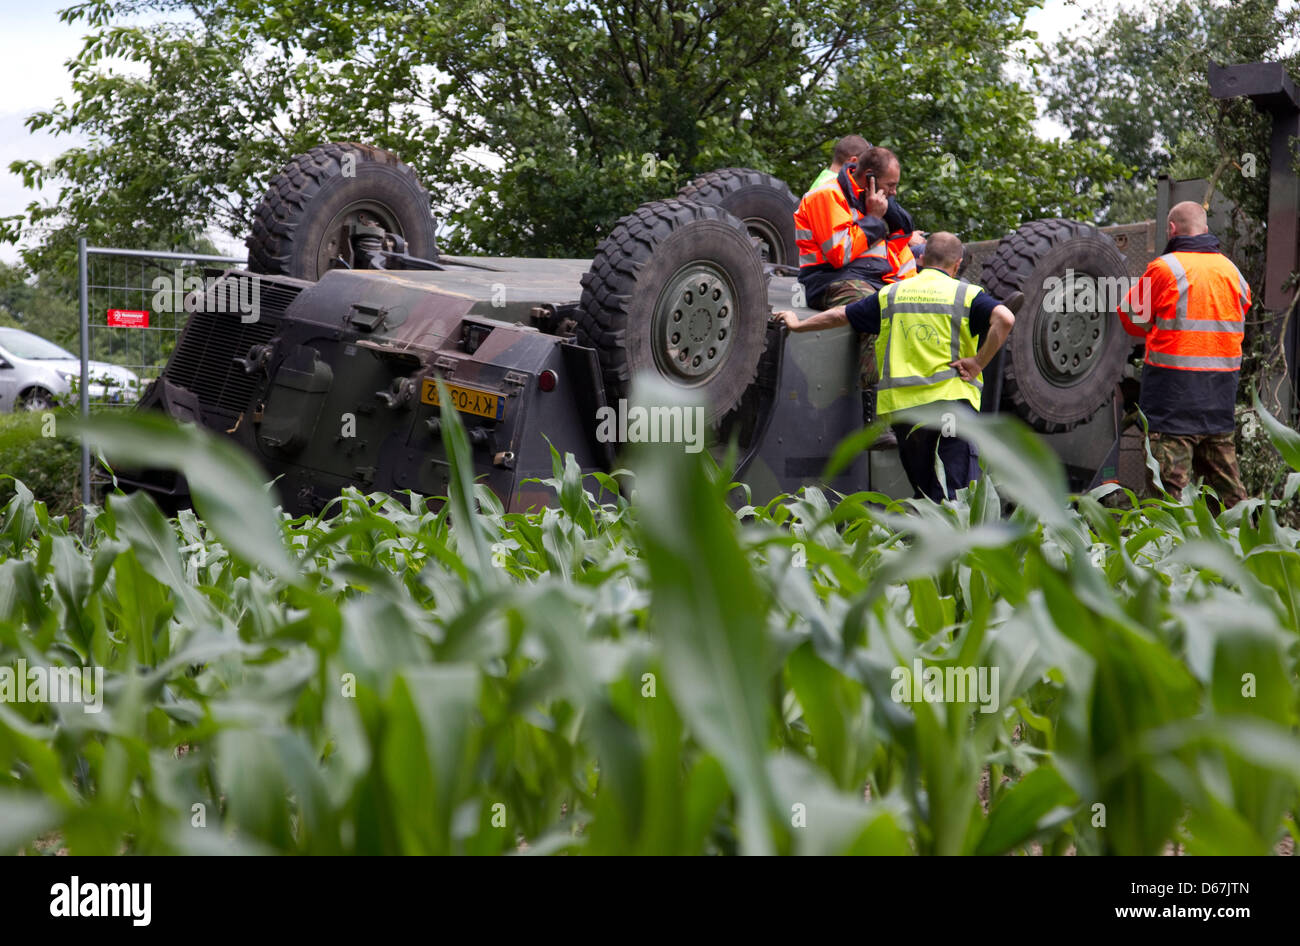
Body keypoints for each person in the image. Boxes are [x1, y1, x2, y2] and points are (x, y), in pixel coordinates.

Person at [775, 232, 1017, 502]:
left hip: (906, 415)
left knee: (925, 495)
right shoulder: (967, 295)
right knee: (954, 498)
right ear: (958, 264)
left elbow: (841, 314)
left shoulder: (892, 294)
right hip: (951, 409)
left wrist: (798, 324)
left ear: (922, 258)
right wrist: (978, 362)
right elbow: (1005, 319)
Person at [1117, 200, 1250, 508]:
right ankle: (1248, 554)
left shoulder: (1164, 269)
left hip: (1171, 410)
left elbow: (1131, 317)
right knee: (1232, 504)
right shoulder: (1233, 273)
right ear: (1205, 229)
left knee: (1169, 507)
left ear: (1172, 229)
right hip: (1218, 408)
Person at [794, 146, 917, 435]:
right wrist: (874, 219)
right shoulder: (825, 196)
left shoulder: (875, 201)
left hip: (873, 278)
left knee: (917, 306)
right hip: (829, 279)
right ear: (870, 179)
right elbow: (840, 252)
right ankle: (875, 416)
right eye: (891, 185)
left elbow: (901, 238)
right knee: (873, 308)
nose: (895, 192)